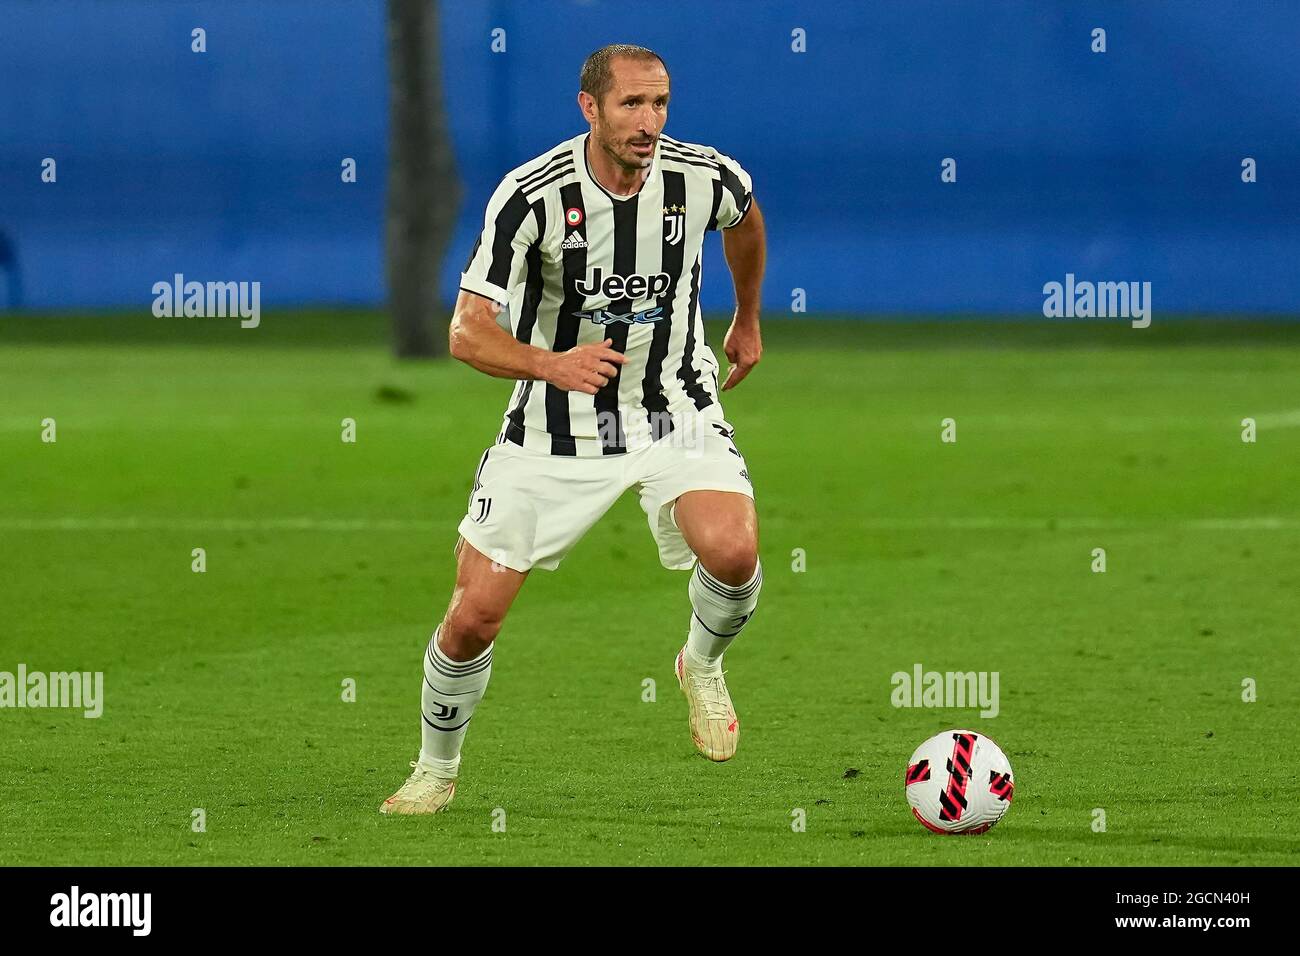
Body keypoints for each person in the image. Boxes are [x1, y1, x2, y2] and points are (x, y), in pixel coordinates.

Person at [382, 43, 767, 814]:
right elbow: (466, 331)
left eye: (659, 103)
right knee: (473, 618)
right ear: (589, 107)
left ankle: (701, 664)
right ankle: (435, 768)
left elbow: (746, 222)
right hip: (554, 430)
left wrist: (747, 319)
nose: (649, 121)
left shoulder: (703, 176)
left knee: (733, 550)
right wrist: (549, 364)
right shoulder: (530, 196)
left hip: (674, 408)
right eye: (631, 104)